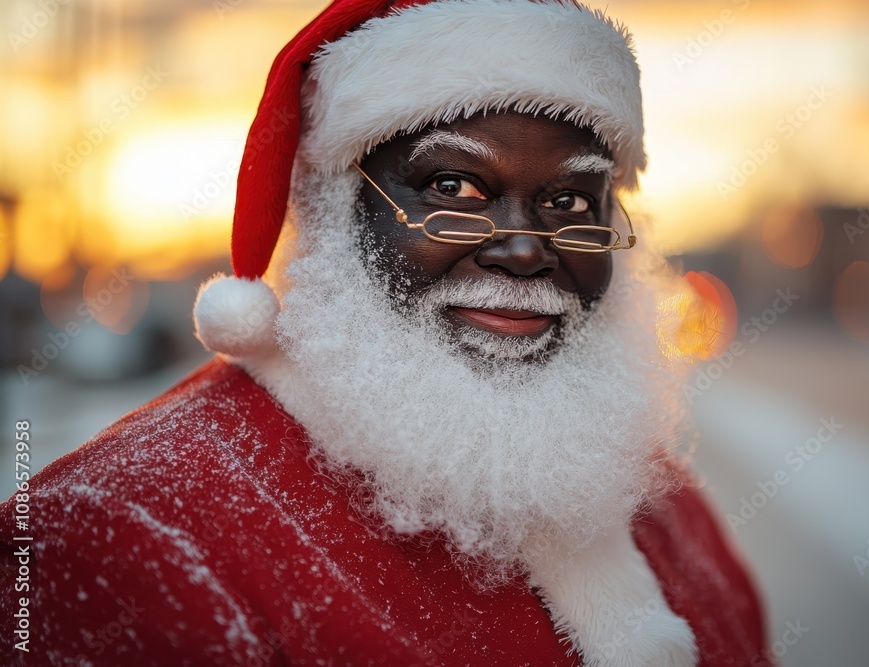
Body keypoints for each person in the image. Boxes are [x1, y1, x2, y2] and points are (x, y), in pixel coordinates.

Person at [1, 1, 770, 665]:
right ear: (334, 208)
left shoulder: (661, 505)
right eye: (453, 187)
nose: (526, 248)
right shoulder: (118, 535)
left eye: (571, 200)